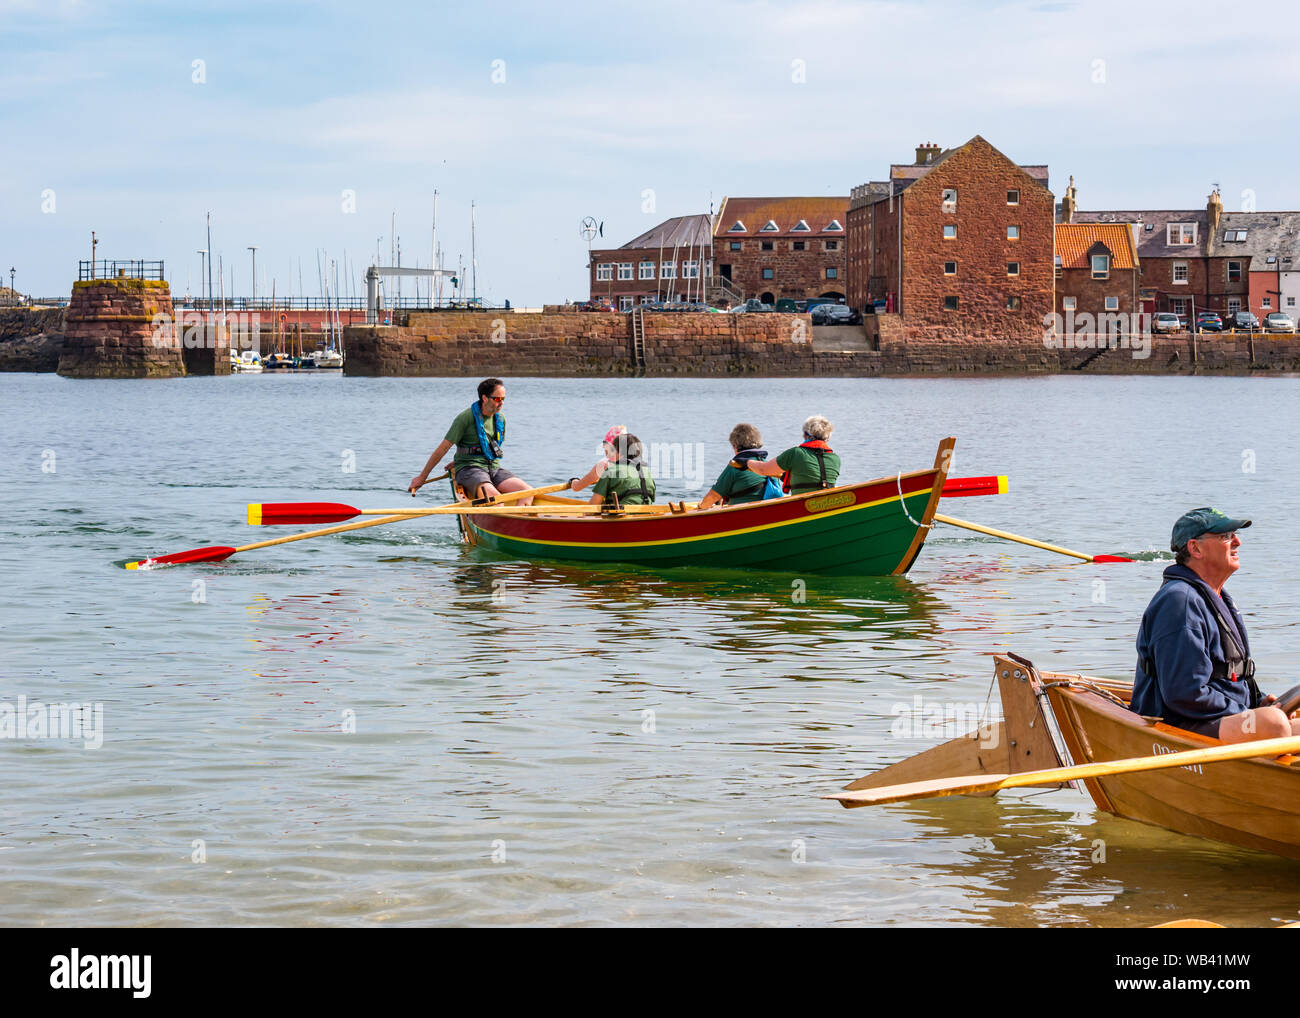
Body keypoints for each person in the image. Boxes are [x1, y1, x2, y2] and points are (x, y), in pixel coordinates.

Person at [1131, 507, 1299, 743]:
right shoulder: (1180, 602)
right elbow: (1184, 694)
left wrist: (1257, 701)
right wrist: (1248, 714)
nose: (1237, 542)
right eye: (1226, 536)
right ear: (1195, 548)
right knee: (1274, 723)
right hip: (1178, 723)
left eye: (1235, 535)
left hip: (1214, 716)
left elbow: (1227, 677)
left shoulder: (1215, 596)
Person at [409, 378, 533, 503]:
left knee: (528, 492)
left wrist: (465, 454)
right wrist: (422, 477)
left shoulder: (500, 419)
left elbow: (491, 447)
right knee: (496, 500)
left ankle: (519, 518)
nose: (501, 403)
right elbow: (442, 449)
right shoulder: (465, 418)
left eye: (503, 399)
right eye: (497, 399)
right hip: (469, 469)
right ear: (485, 398)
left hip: (493, 468)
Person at [742, 415, 840, 494]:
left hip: (802, 506)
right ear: (827, 438)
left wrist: (746, 462)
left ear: (806, 434)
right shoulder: (835, 459)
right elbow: (812, 474)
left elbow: (763, 469)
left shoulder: (796, 453)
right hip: (825, 503)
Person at [698, 423, 781, 509]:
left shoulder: (735, 466)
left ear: (735, 445)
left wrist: (700, 507)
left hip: (745, 515)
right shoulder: (769, 466)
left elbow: (713, 497)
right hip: (769, 510)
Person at [589, 433, 655, 506]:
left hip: (622, 514)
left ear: (619, 452)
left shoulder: (611, 470)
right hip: (647, 512)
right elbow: (652, 498)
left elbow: (593, 505)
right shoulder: (646, 470)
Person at [569, 426, 627, 493]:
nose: (603, 446)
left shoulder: (604, 465)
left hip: (616, 503)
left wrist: (573, 480)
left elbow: (577, 487)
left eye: (605, 443)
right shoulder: (636, 463)